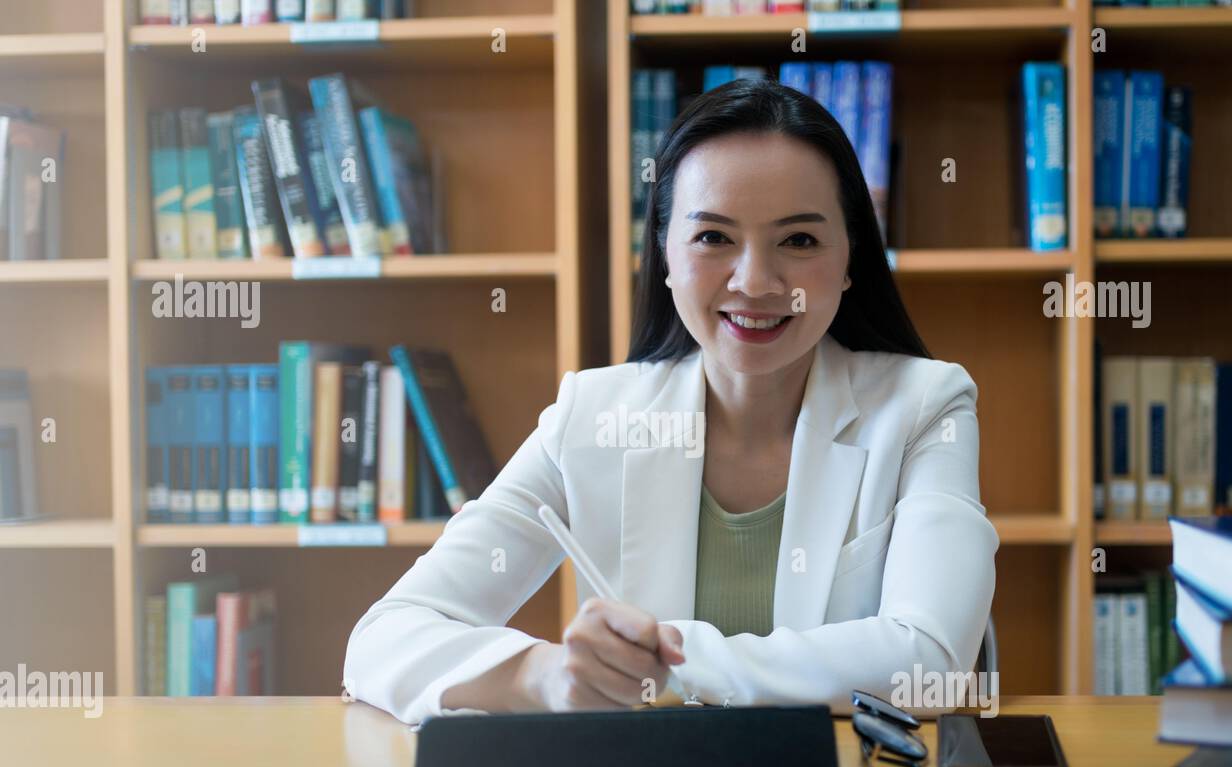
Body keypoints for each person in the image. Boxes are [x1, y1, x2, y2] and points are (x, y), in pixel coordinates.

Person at [343, 77, 998, 723]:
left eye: (798, 241)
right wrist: (543, 676)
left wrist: (668, 669)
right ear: (663, 253)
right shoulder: (593, 416)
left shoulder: (924, 407)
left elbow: (931, 660)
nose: (755, 281)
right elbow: (384, 638)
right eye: (714, 237)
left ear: (851, 257)